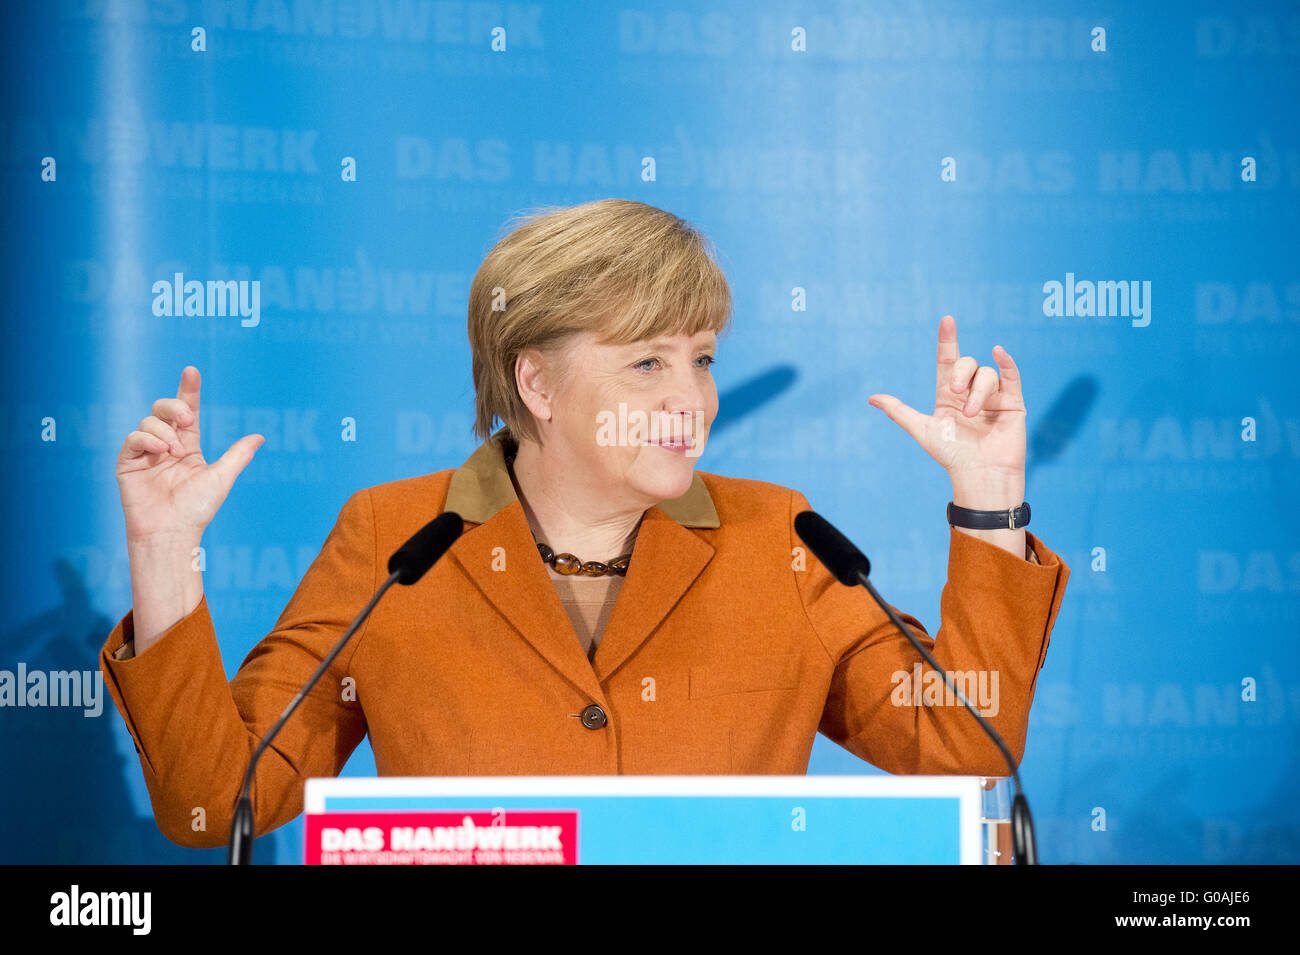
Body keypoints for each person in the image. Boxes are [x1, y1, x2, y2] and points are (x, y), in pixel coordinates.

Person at [101, 198, 1069, 849]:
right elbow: (210, 799)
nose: (691, 397)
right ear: (538, 382)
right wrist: (161, 551)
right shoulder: (396, 538)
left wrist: (988, 500)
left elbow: (961, 747)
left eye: (702, 358)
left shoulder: (780, 539)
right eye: (648, 363)